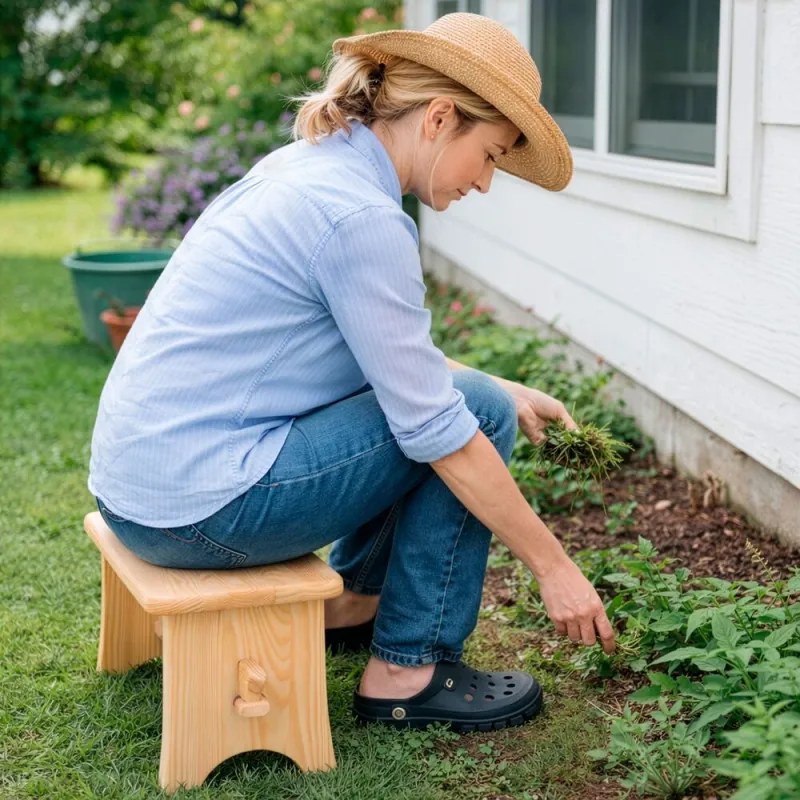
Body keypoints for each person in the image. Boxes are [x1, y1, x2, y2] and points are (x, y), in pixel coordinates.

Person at [89, 12, 615, 733]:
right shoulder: (359, 218)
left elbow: (380, 348)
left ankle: (354, 608)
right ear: (438, 118)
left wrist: (504, 385)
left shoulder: (310, 166)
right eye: (489, 155)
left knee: (476, 400)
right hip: (199, 512)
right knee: (473, 417)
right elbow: (435, 423)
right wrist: (556, 568)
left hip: (146, 489)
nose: (487, 183)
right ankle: (409, 670)